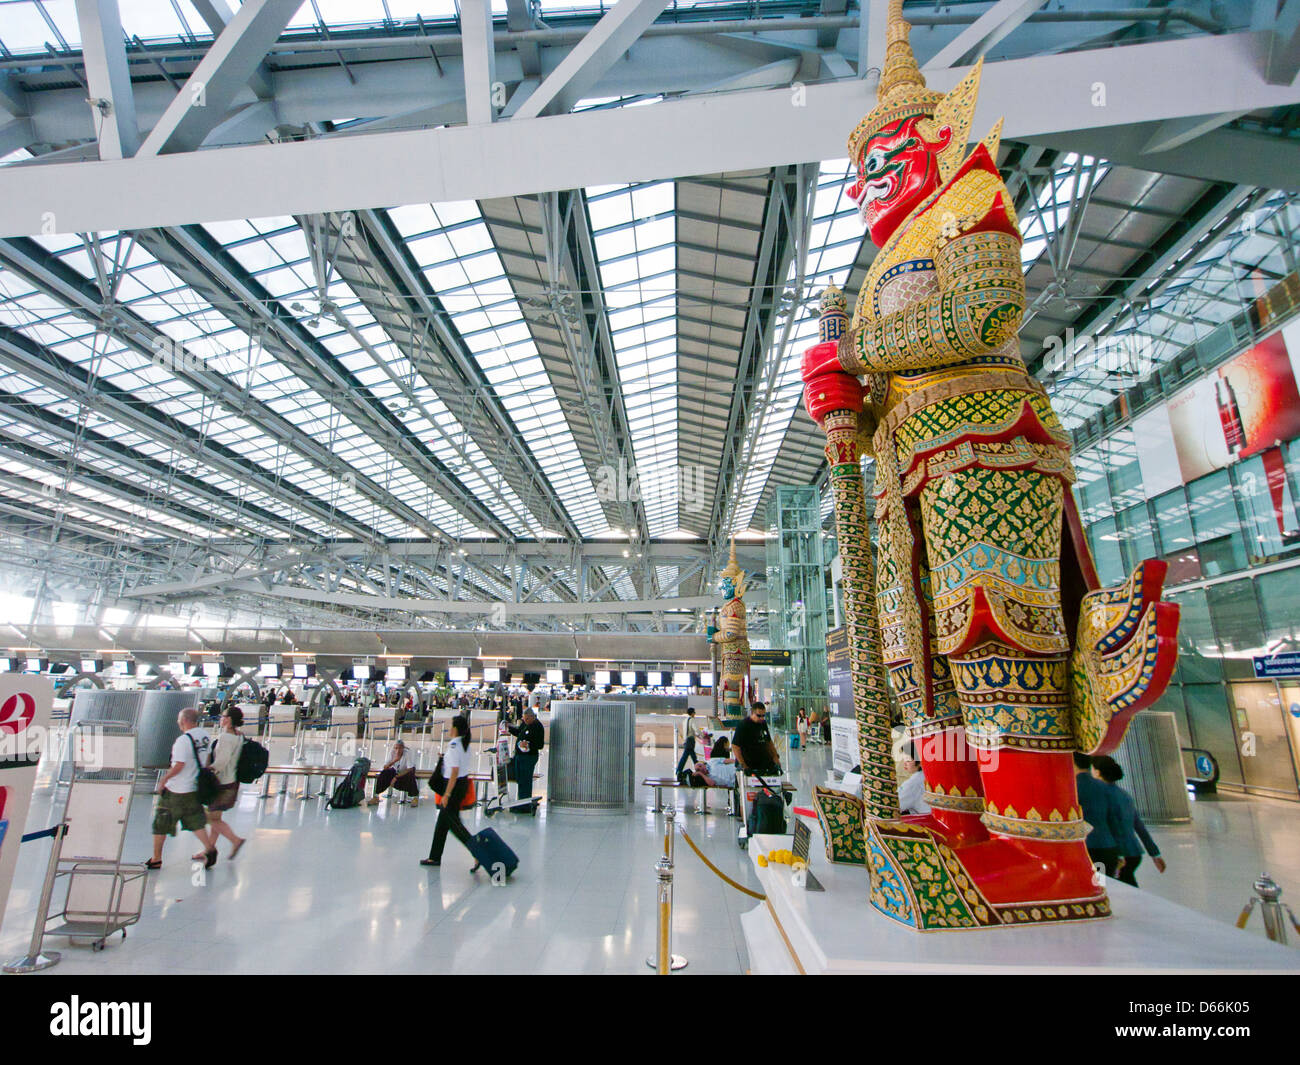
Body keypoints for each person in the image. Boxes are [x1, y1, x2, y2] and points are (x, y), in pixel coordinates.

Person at [147, 708, 215, 870]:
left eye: (179, 719)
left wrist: (164, 779)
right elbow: (207, 761)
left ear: (184, 721)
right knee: (195, 822)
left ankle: (156, 858)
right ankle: (210, 849)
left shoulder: (183, 741)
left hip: (176, 790)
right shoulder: (205, 736)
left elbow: (179, 765)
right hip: (193, 788)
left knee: (161, 823)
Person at [1092, 755, 1166, 887]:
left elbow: (1114, 826)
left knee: (1104, 886)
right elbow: (1139, 826)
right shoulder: (1124, 795)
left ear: (1097, 772)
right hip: (1134, 852)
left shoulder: (1102, 795)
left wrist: (1119, 854)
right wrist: (1155, 853)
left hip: (1116, 854)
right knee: (1127, 884)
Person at [422, 714, 474, 867]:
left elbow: (454, 772)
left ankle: (477, 852)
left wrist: (447, 794)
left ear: (456, 729)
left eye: (452, 726)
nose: (449, 729)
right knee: (442, 824)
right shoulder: (465, 745)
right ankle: (434, 857)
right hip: (461, 784)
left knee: (455, 825)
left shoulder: (454, 746)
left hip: (452, 786)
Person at [196, 706, 247, 860]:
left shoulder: (226, 738)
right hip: (231, 781)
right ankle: (208, 849)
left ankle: (235, 840)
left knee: (210, 818)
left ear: (229, 719)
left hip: (221, 783)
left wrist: (208, 771)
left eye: (223, 716)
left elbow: (222, 761)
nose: (221, 718)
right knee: (216, 818)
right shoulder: (239, 735)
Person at [1073, 752, 1125, 879]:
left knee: (1092, 887)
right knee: (1103, 886)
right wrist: (1120, 852)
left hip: (1086, 849)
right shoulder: (1104, 787)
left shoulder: (1072, 787)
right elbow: (1115, 820)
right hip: (1108, 847)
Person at [731, 702, 781, 778]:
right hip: (748, 764)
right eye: (759, 716)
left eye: (763, 715)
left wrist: (775, 758)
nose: (762, 718)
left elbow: (768, 742)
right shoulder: (743, 725)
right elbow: (735, 746)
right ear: (752, 713)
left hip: (761, 764)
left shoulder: (763, 723)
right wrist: (743, 765)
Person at [506, 706, 545, 802]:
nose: (525, 720)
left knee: (525, 781)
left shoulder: (537, 726)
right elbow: (519, 732)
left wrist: (528, 745)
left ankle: (524, 804)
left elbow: (540, 745)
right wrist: (509, 728)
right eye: (524, 718)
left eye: (527, 719)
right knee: (521, 780)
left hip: (529, 757)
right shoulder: (525, 723)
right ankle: (521, 802)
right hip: (520, 757)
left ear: (533, 717)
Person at [368, 739, 419, 807]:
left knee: (410, 776)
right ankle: (376, 797)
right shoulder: (392, 752)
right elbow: (385, 767)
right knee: (384, 773)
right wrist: (394, 760)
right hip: (396, 770)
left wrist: (395, 777)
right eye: (396, 748)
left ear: (403, 748)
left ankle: (414, 797)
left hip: (406, 771)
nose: (398, 750)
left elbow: (410, 769)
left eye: (400, 748)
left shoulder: (407, 753)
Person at [897, 742, 930, 815]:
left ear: (920, 761)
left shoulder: (913, 783)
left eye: (908, 760)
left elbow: (895, 805)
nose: (905, 763)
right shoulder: (926, 776)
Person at [675, 708, 699, 780]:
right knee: (687, 757)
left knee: (692, 756)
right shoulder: (692, 720)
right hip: (690, 740)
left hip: (686, 740)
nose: (695, 714)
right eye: (694, 712)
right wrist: (702, 736)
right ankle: (679, 770)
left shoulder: (685, 720)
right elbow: (696, 729)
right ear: (692, 713)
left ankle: (698, 769)